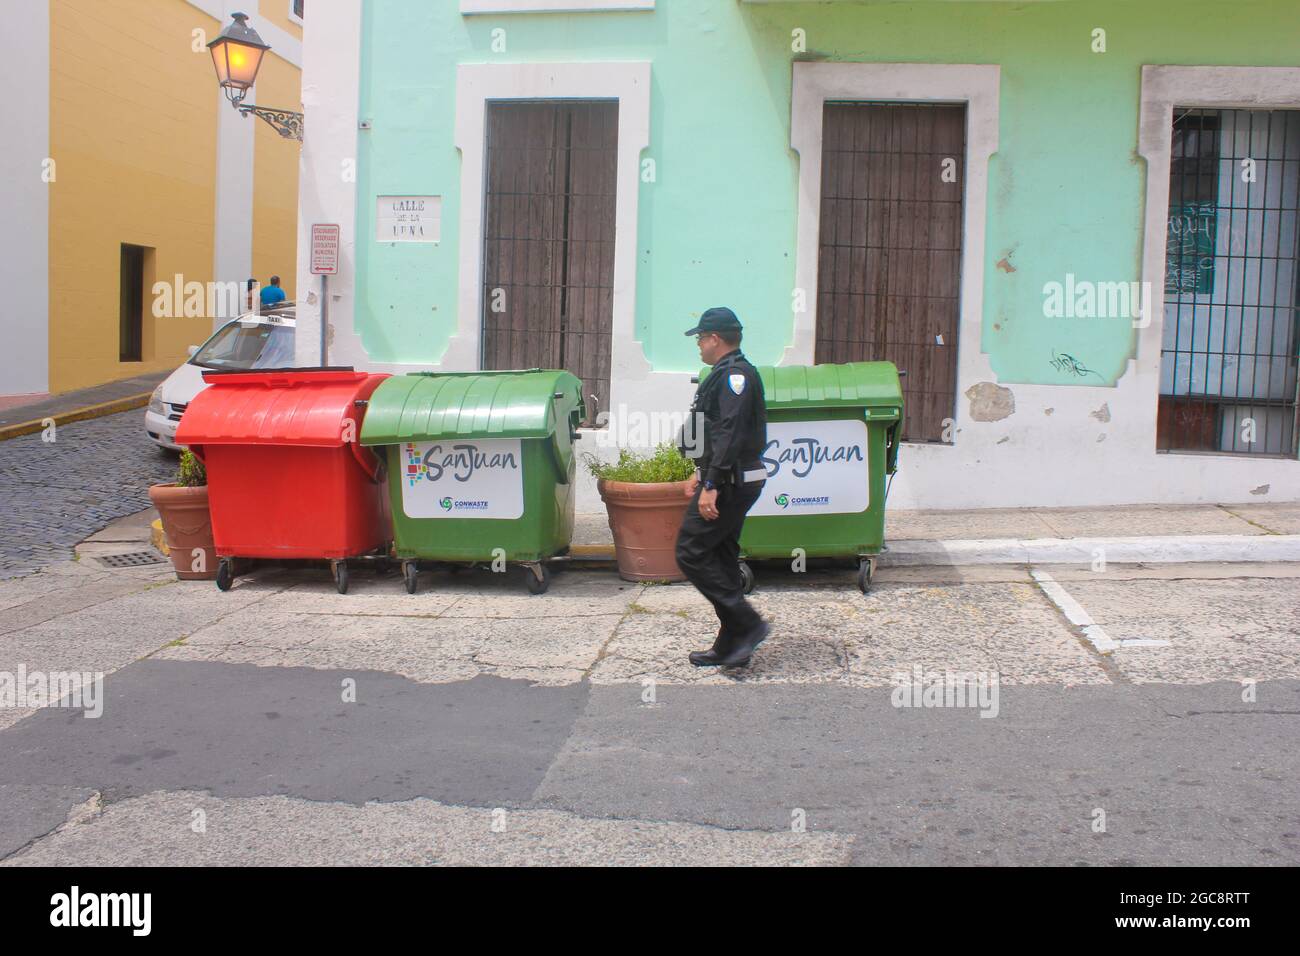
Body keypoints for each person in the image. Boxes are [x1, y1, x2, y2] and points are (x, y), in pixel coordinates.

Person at [675, 306, 770, 667]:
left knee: (690, 550)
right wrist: (700, 474)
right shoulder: (725, 374)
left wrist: (711, 484)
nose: (698, 345)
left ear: (715, 339)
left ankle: (748, 624)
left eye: (700, 338)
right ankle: (733, 645)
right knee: (721, 556)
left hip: (731, 481)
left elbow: (730, 432)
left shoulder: (736, 377)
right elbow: (717, 433)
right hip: (727, 477)